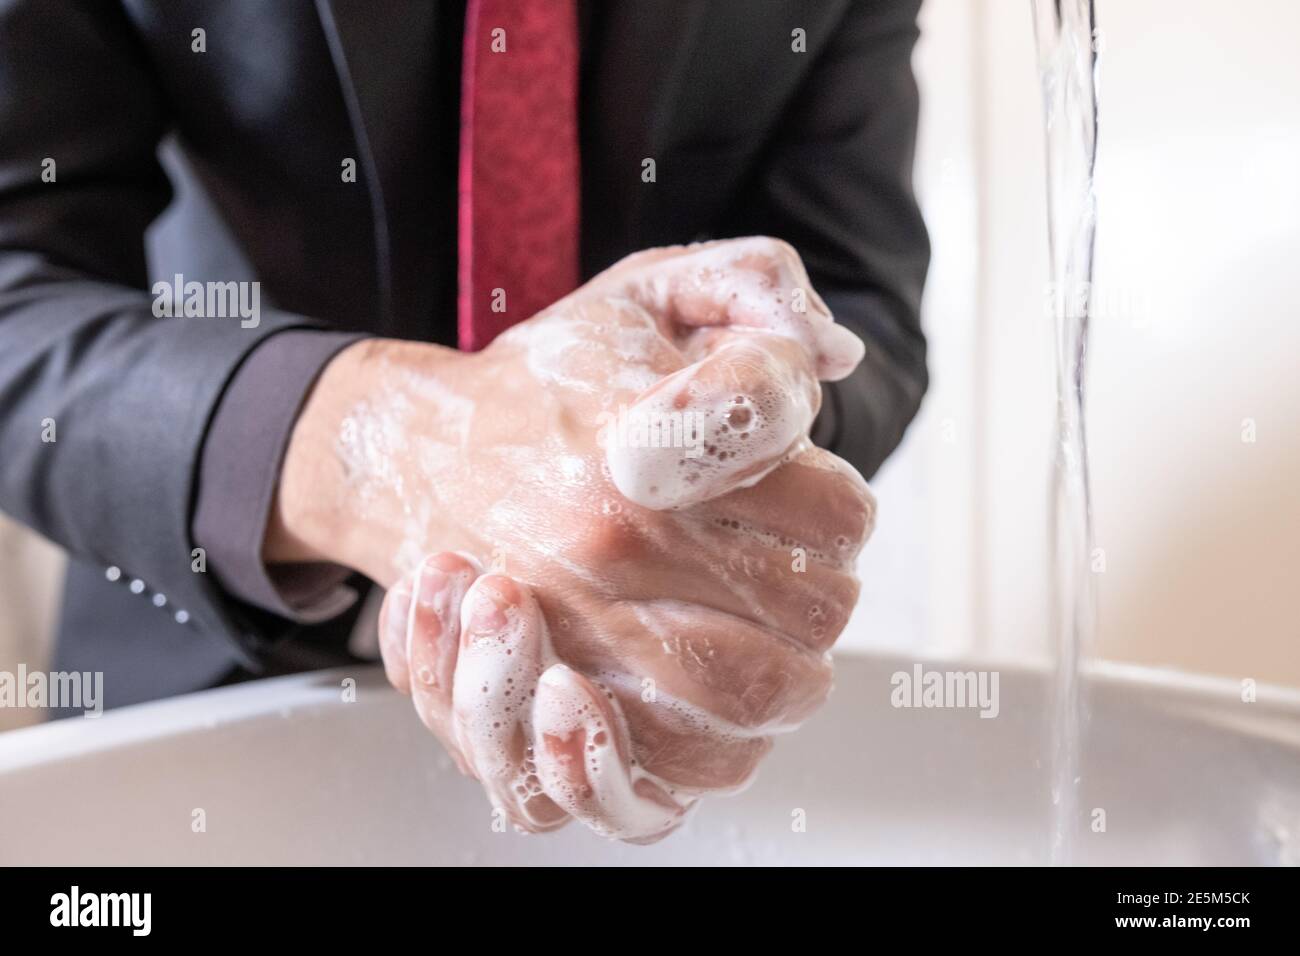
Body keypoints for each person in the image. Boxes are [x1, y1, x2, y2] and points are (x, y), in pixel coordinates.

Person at [0, 0, 929, 840]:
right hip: (198, 684)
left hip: (666, 710)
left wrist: (717, 451)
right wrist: (387, 454)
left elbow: (857, 304)